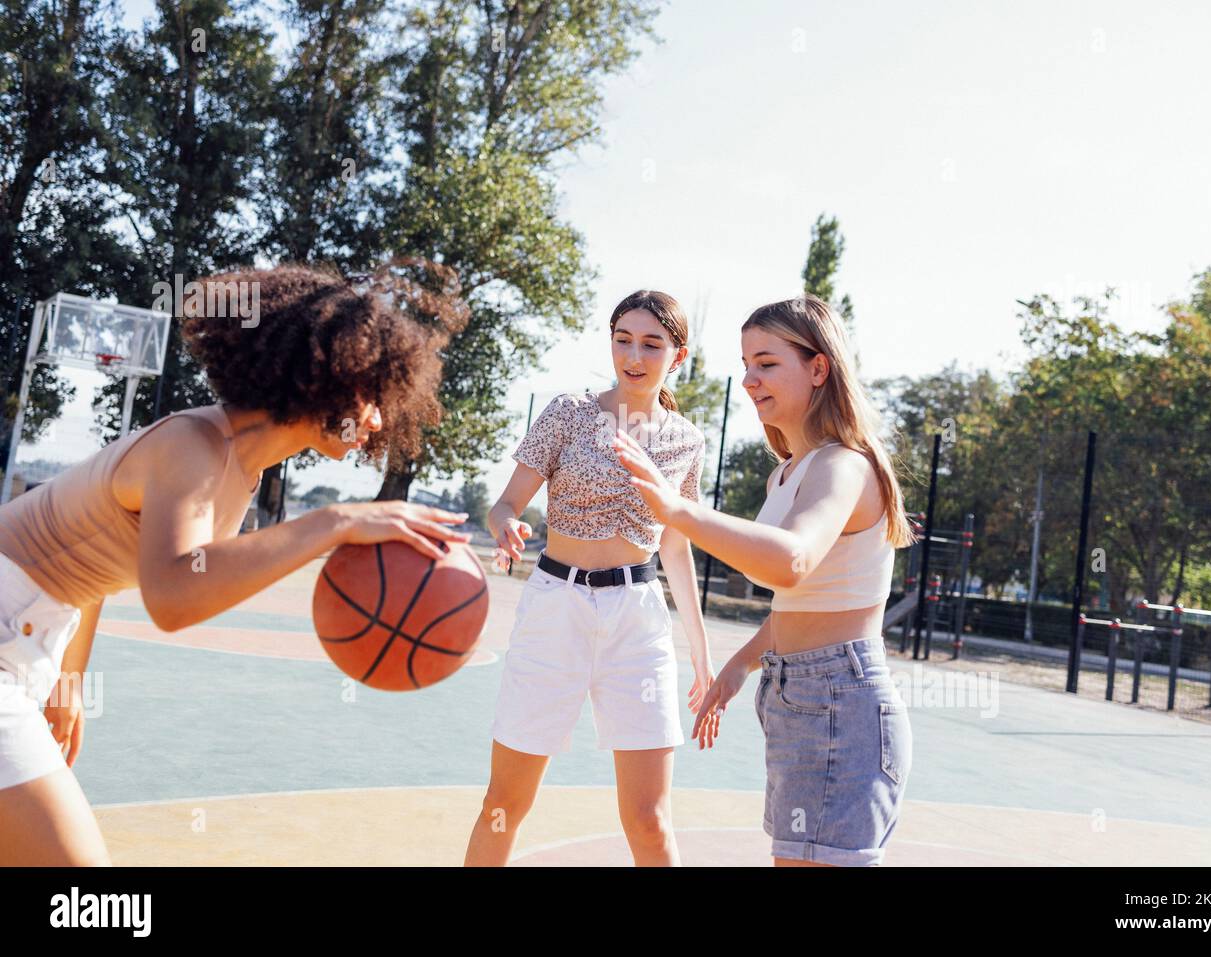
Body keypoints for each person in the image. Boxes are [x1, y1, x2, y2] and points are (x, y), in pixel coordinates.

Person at [0, 263, 473, 866]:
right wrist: (336, 520)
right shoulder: (192, 448)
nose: (376, 419)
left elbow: (90, 566)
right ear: (323, 373)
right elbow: (171, 598)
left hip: (27, 644)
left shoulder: (235, 469)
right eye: (369, 393)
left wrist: (66, 684)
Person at [613, 294, 915, 867]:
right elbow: (806, 602)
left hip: (839, 699)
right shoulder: (790, 471)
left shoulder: (842, 464)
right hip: (796, 694)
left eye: (767, 363)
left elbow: (791, 561)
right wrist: (738, 665)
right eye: (746, 364)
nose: (749, 380)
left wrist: (678, 512)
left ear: (819, 368)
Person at [464, 290, 712, 867]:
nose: (634, 353)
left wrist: (699, 655)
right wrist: (506, 528)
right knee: (504, 801)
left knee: (649, 822)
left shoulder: (687, 441)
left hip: (638, 619)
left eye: (652, 343)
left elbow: (677, 551)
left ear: (677, 356)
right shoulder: (567, 413)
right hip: (556, 607)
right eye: (623, 338)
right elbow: (505, 505)